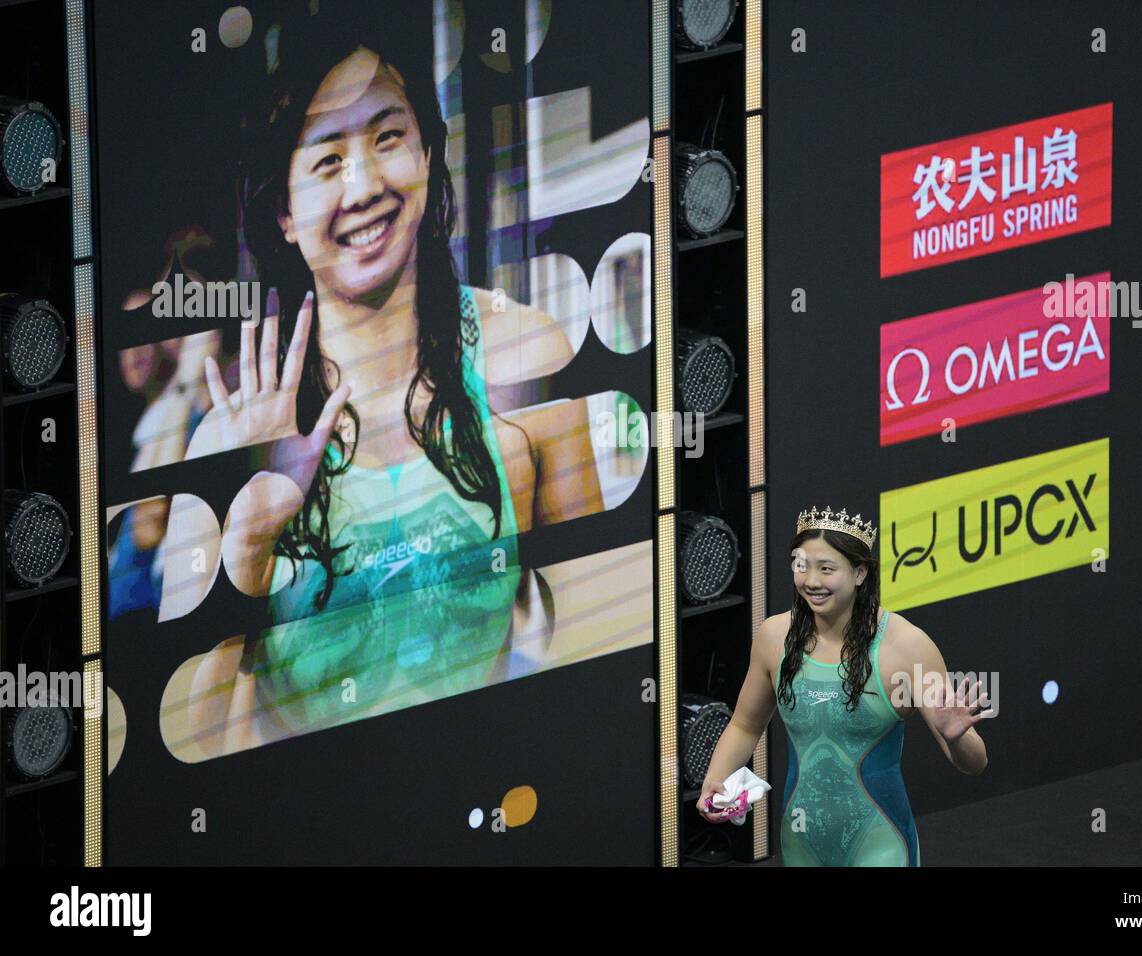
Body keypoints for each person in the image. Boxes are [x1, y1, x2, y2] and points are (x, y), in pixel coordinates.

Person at [162, 17, 602, 754]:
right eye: (327, 159)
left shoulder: (525, 352)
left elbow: (593, 640)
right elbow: (188, 747)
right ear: (284, 212)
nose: (364, 185)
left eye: (387, 137)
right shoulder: (228, 438)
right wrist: (244, 558)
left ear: (430, 155)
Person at [695, 506, 989, 865]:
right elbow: (745, 725)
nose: (812, 581)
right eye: (802, 566)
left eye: (827, 569)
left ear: (860, 573)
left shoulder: (906, 648)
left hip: (880, 843)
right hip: (801, 841)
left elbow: (974, 765)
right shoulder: (774, 637)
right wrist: (716, 779)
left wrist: (957, 738)